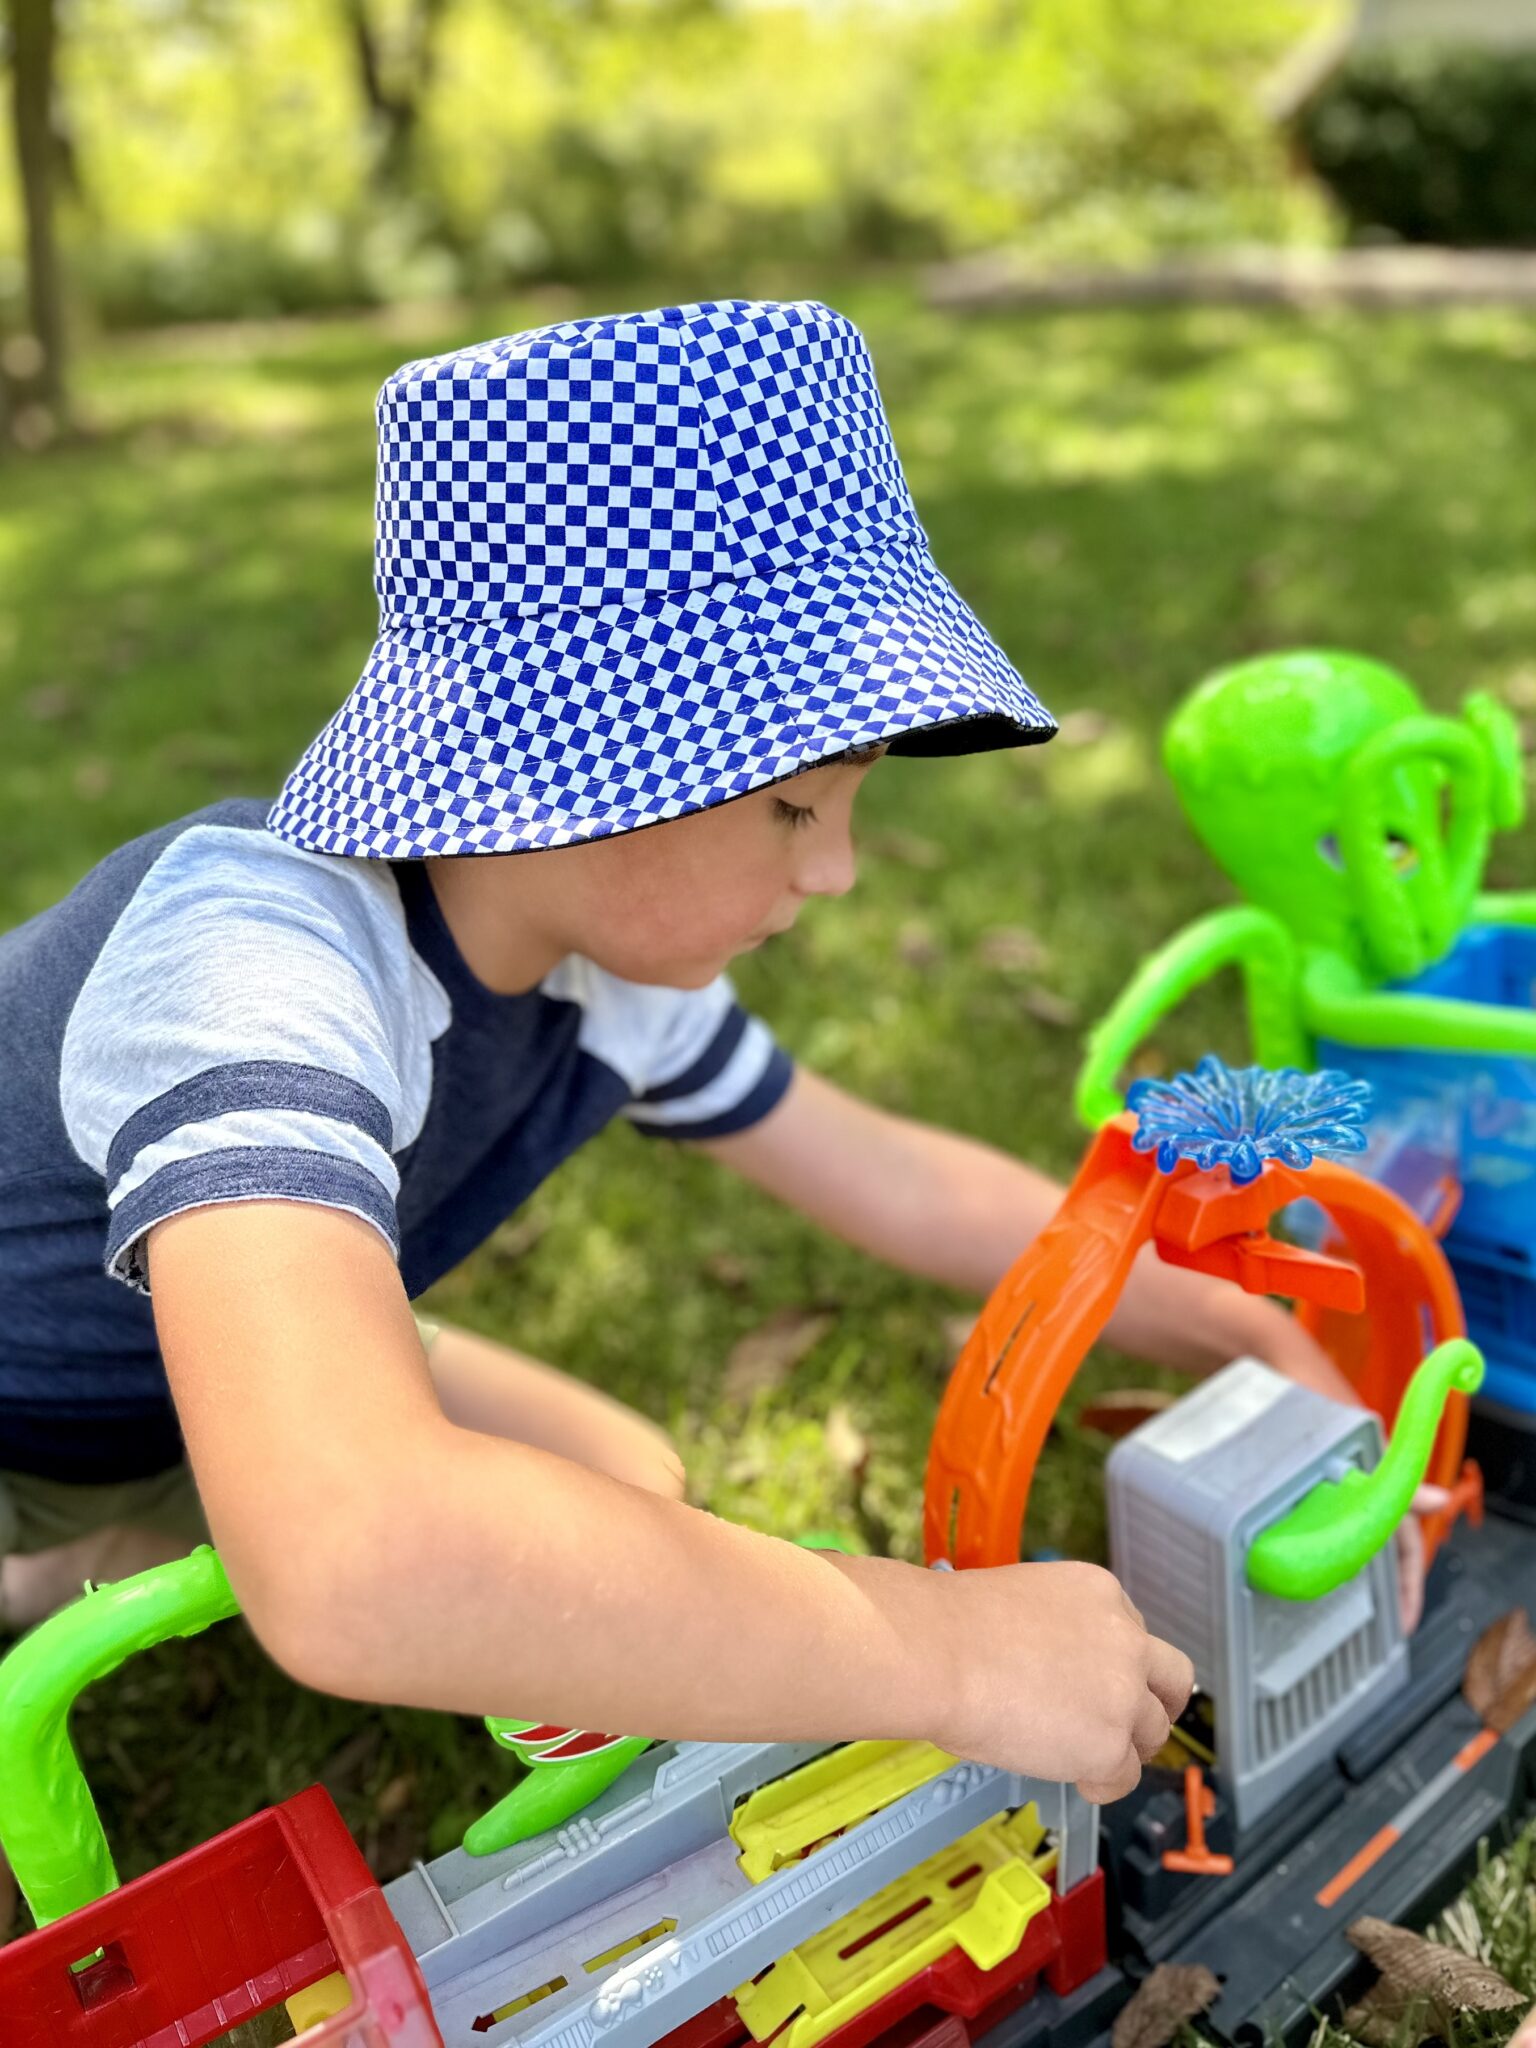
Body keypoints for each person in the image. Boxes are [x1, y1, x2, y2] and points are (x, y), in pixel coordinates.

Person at [0, 302, 1422, 1906]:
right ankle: (55, 1556)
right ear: (567, 759)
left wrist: (1244, 1333)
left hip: (162, 1383)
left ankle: (83, 1551)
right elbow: (353, 1553)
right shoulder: (249, 961)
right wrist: (939, 1647)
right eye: (796, 801)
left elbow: (896, 1181)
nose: (836, 867)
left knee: (627, 1494)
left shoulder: (606, 972)